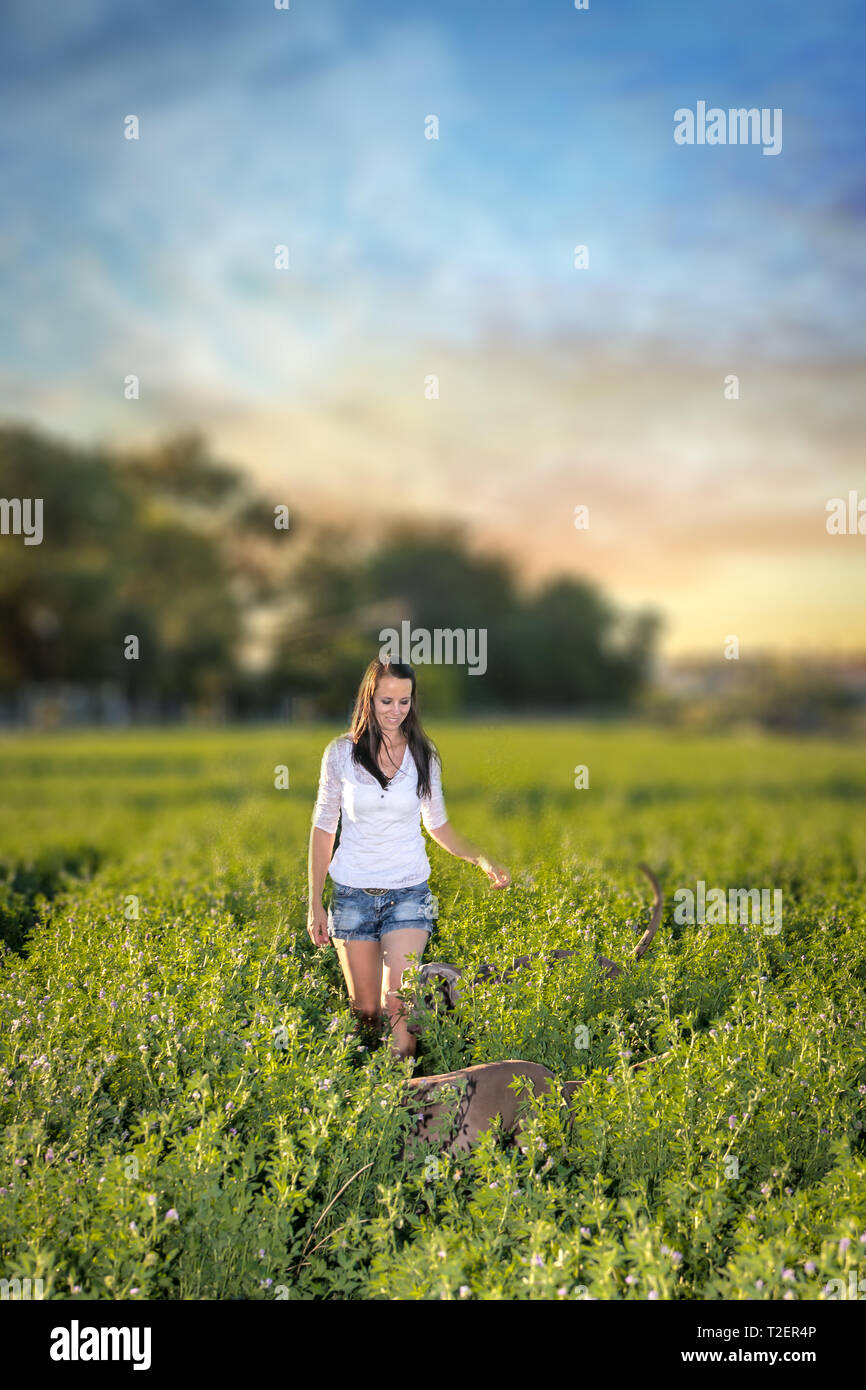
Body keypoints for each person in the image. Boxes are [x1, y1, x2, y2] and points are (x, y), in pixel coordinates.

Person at [307, 657, 510, 1059]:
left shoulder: (423, 755)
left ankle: (405, 1102)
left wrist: (482, 860)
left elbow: (439, 826)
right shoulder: (340, 754)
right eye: (386, 701)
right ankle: (375, 1089)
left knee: (397, 1005)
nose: (396, 711)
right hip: (351, 895)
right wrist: (315, 901)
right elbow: (323, 828)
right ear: (369, 699)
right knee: (365, 1012)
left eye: (404, 701)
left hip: (408, 896)